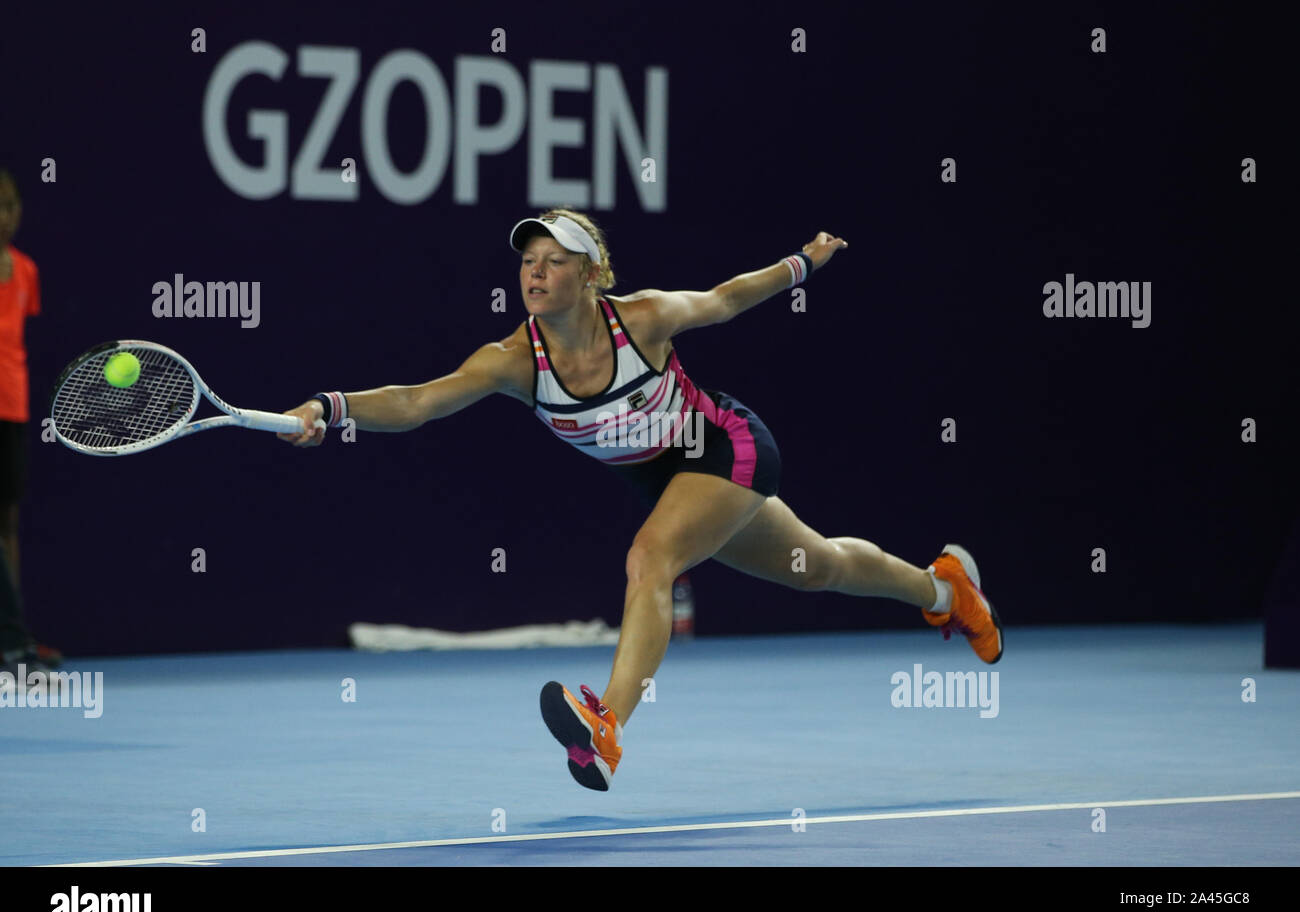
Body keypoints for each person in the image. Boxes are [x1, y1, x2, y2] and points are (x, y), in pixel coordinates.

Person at [278, 210, 1003, 791]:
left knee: (650, 556)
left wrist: (802, 263)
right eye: (527, 260)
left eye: (554, 259)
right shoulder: (511, 362)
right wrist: (328, 407)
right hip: (671, 484)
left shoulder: (643, 318)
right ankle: (943, 589)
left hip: (727, 446)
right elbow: (414, 403)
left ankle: (607, 728)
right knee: (816, 567)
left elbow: (724, 300)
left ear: (590, 274)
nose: (536, 271)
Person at [0, 166, 61, 678]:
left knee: (8, 524)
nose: (3, 217)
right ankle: (12, 642)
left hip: (13, 409)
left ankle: (13, 635)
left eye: (10, 206)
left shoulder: (27, 271)